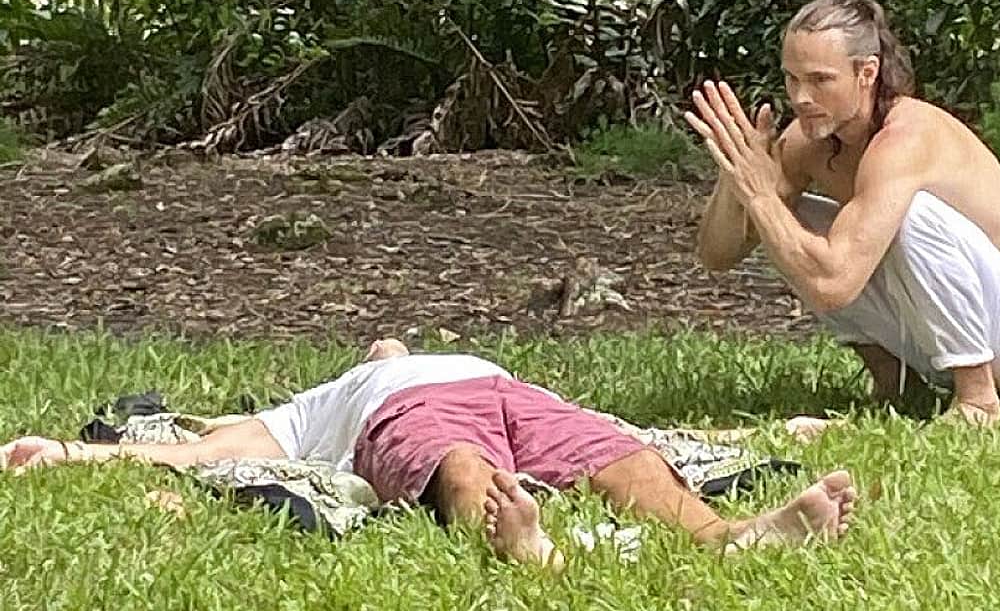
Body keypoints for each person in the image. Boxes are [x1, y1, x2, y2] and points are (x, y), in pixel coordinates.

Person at [0, 338, 856, 568]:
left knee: (616, 450)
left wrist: (759, 437)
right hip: (414, 415)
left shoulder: (474, 359)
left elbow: (640, 427)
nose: (387, 337)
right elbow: (205, 450)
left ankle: (732, 534)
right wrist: (74, 454)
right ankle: (519, 542)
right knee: (453, 459)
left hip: (522, 396)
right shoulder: (328, 399)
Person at [686, 0, 1000, 426]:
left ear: (867, 72)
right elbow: (717, 255)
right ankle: (896, 385)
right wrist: (735, 170)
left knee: (907, 215)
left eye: (820, 80)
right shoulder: (810, 137)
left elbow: (833, 284)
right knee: (788, 221)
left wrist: (760, 195)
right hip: (930, 334)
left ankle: (978, 401)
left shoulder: (906, 137)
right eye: (792, 80)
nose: (802, 97)